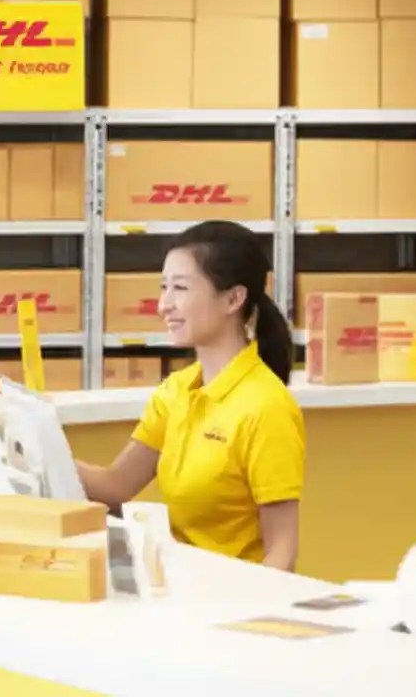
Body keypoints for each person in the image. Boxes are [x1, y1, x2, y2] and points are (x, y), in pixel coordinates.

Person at [78, 221, 305, 571]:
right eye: (163, 287)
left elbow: (283, 553)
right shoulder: (175, 391)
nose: (163, 305)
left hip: (232, 602)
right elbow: (115, 486)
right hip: (178, 586)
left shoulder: (266, 407)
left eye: (180, 288)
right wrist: (38, 452)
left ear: (233, 298)